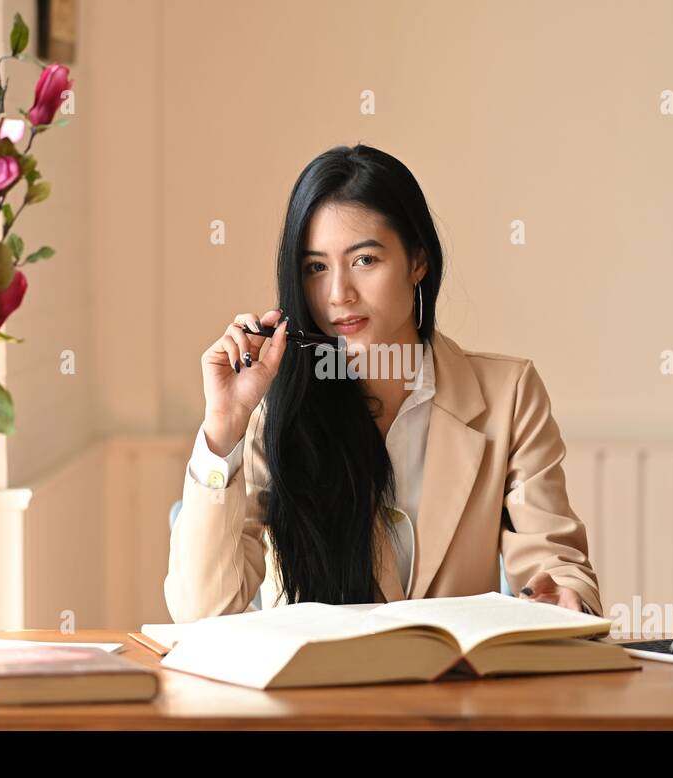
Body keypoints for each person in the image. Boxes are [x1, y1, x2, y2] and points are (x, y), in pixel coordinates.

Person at [164, 143, 601, 623]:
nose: (338, 294)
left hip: (457, 691)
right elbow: (202, 612)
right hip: (320, 693)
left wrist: (562, 597)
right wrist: (223, 426)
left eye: (365, 260)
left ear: (418, 260)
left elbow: (556, 565)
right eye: (316, 267)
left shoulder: (509, 395)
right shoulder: (272, 408)